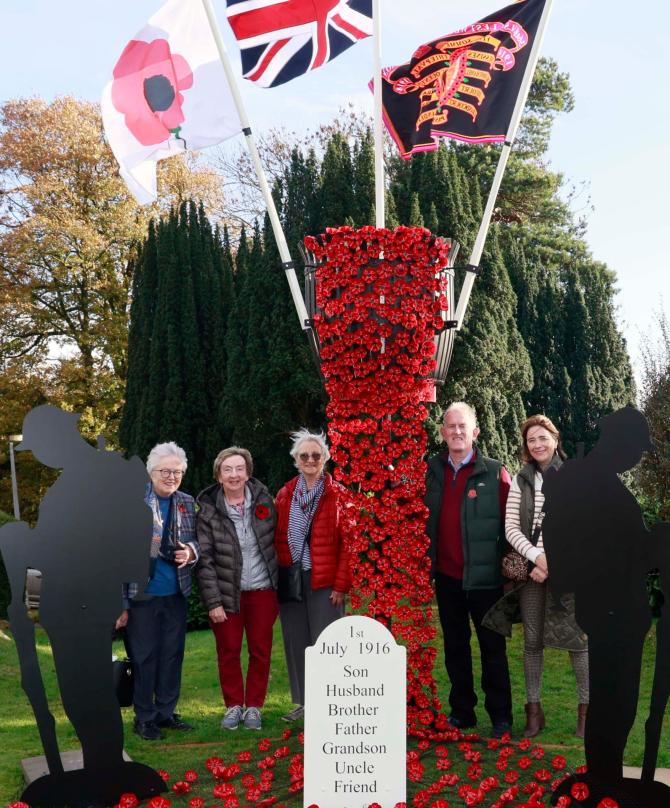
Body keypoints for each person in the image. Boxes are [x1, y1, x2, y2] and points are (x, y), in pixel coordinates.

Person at [425, 402, 513, 738]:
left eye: (463, 426)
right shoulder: (431, 472)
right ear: (443, 432)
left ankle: (501, 717)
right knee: (456, 648)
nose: (457, 432)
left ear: (475, 432)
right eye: (451, 426)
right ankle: (462, 712)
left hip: (487, 580)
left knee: (493, 649)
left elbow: (511, 526)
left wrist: (507, 572)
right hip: (448, 578)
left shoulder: (495, 471)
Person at [501, 415, 588, 738]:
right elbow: (511, 527)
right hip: (532, 572)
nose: (537, 444)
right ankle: (534, 711)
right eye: (531, 440)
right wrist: (537, 557)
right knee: (532, 642)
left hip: (566, 571)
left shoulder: (575, 476)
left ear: (555, 439)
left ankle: (586, 713)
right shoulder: (520, 479)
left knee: (577, 641)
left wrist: (551, 562)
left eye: (542, 438)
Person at [116, 441, 199, 741]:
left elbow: (199, 541)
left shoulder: (187, 502)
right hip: (141, 596)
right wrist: (120, 604)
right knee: (144, 657)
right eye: (165, 471)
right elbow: (117, 553)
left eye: (177, 472)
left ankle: (165, 713)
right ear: (151, 472)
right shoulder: (132, 502)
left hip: (175, 593)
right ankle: (144, 717)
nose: (171, 477)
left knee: (172, 655)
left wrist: (191, 552)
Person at [196, 447, 278, 731]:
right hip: (226, 594)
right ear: (219, 475)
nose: (234, 475)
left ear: (248, 472)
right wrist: (213, 602)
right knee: (228, 650)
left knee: (260, 650)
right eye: (227, 469)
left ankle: (254, 706)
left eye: (239, 468)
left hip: (263, 590)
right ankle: (233, 706)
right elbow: (204, 561)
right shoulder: (207, 511)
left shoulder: (265, 501)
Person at [275, 429, 351, 722]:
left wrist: (342, 584)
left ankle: (332, 702)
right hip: (292, 580)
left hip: (326, 582)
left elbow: (349, 545)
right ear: (296, 459)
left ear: (325, 459)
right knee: (297, 642)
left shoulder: (339, 495)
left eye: (315, 455)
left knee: (327, 642)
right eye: (304, 455)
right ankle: (305, 703)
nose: (310, 459)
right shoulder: (284, 494)